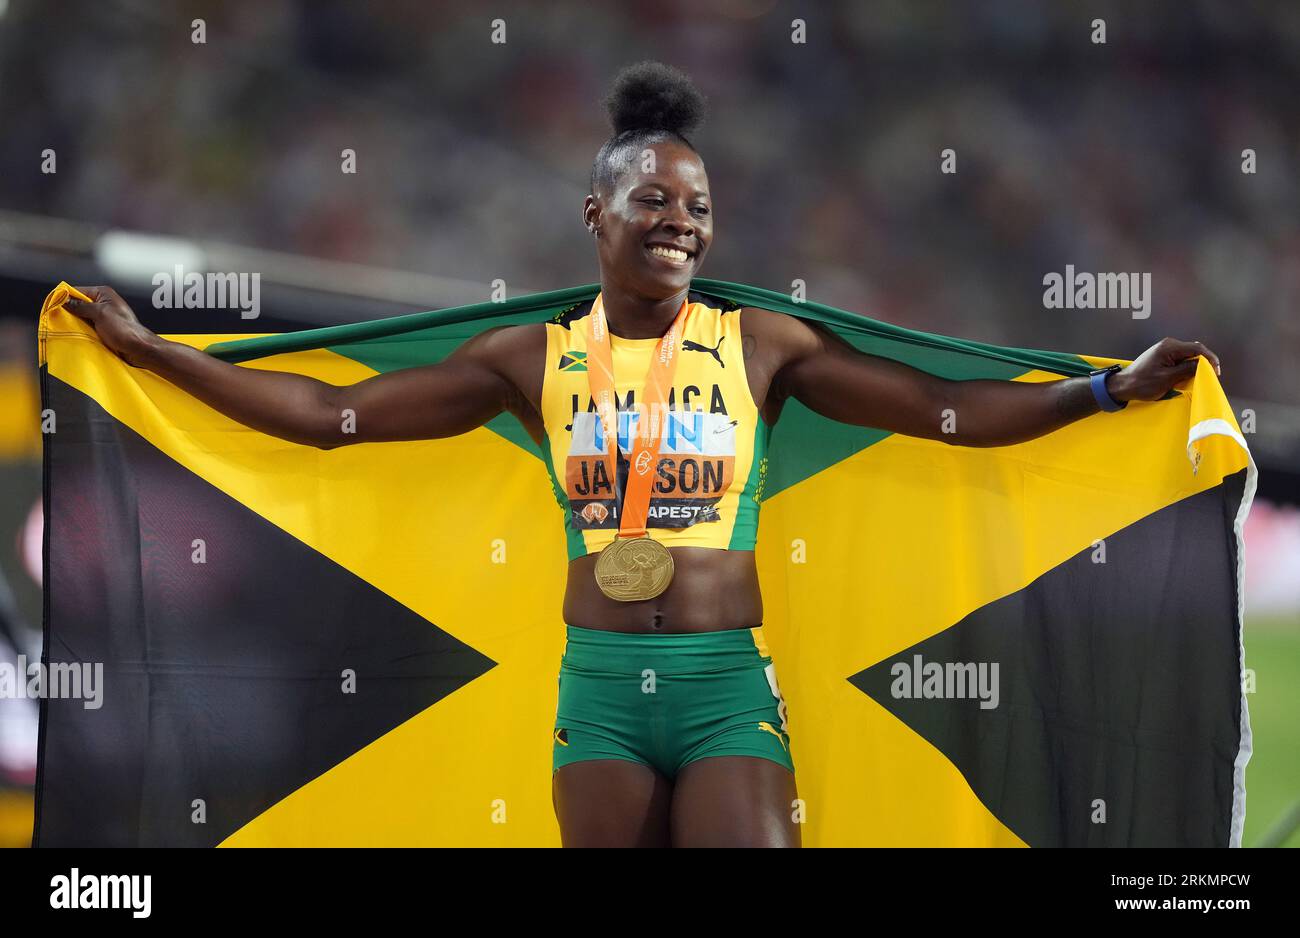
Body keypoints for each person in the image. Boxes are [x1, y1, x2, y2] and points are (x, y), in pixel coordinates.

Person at [64, 61, 1221, 848]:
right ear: (596, 215)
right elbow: (331, 418)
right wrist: (156, 356)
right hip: (601, 692)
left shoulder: (761, 343)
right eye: (655, 199)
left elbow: (942, 410)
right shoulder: (529, 358)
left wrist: (1104, 387)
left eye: (699, 205)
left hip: (724, 685)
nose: (681, 219)